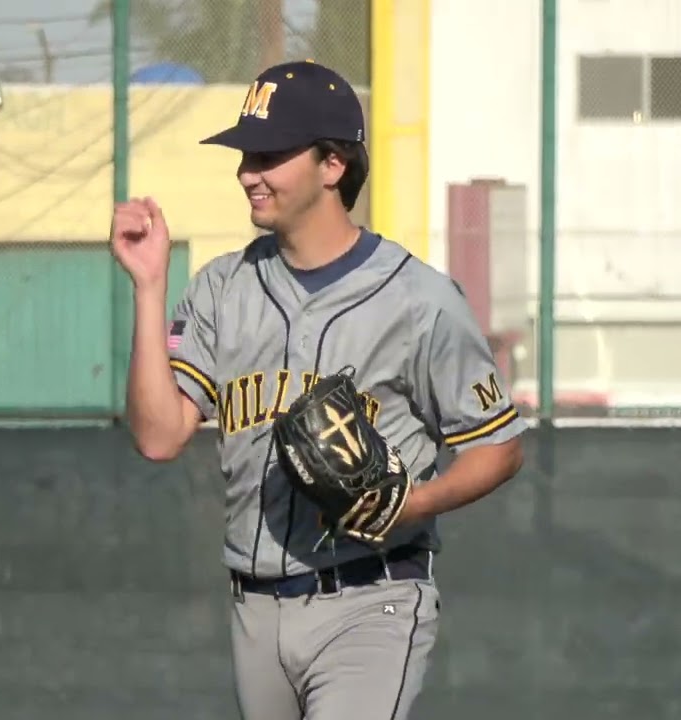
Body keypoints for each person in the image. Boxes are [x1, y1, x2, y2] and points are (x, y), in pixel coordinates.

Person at [110, 59, 527, 720]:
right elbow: (159, 436)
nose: (249, 172)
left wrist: (413, 503)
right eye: (247, 154)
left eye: (270, 154)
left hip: (372, 599)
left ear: (333, 165)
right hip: (255, 608)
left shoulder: (419, 300)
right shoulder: (222, 289)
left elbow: (499, 447)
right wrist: (148, 286)